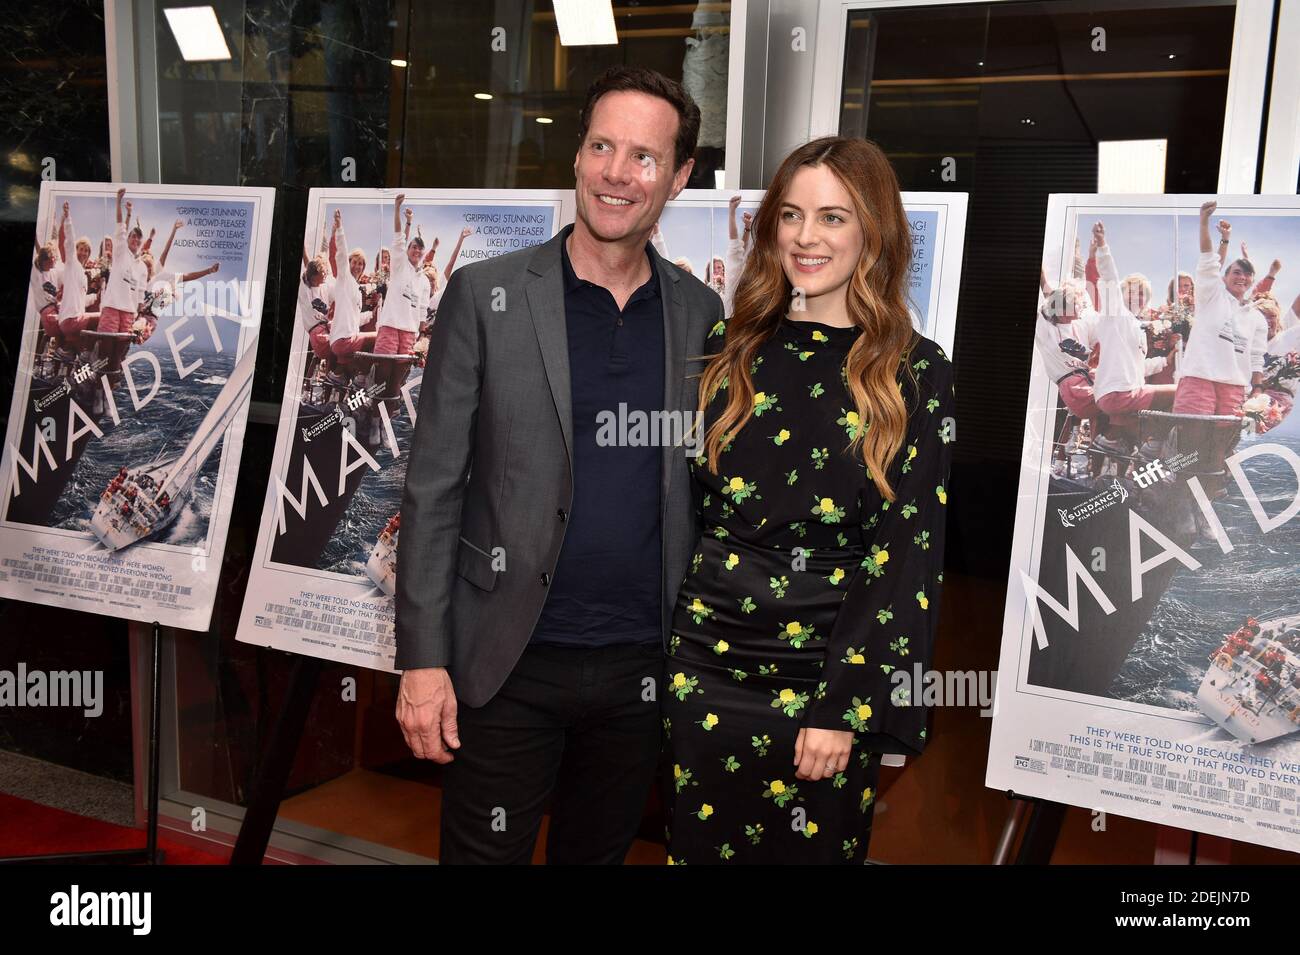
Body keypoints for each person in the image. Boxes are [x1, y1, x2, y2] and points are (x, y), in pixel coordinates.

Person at [394, 65, 718, 865]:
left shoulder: (700, 313)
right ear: (576, 157)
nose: (617, 171)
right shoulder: (485, 295)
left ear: (677, 178)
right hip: (505, 664)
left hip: (640, 670)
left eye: (644, 156)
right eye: (602, 145)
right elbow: (432, 489)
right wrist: (422, 662)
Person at [663, 136, 955, 865]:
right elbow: (686, 513)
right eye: (791, 215)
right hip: (704, 666)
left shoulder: (917, 373)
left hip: (822, 682)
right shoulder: (730, 344)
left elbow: (905, 557)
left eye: (832, 217)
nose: (805, 236)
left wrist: (844, 708)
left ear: (872, 232)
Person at [1171, 202, 1269, 489]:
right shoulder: (1211, 295)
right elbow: (1207, 258)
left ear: (1252, 281)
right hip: (1199, 377)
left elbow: (1256, 358)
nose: (1242, 277)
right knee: (1192, 443)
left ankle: (1207, 500)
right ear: (1224, 278)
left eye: (1247, 274)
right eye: (1236, 272)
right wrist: (1204, 223)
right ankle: (1180, 494)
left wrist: (1258, 390)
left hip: (1234, 387)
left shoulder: (1257, 318)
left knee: (1220, 448)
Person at [1089, 221, 1176, 452]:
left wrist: (1167, 359)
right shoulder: (1114, 313)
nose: (1139, 296)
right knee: (1180, 391)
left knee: (1132, 436)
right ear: (1122, 292)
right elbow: (1108, 278)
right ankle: (1157, 447)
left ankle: (1111, 443)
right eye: (1133, 290)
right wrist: (1102, 246)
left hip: (1123, 392)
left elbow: (1138, 367)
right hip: (1118, 393)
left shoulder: (1137, 328)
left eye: (1143, 293)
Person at [328, 209, 379, 365]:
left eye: (361, 263)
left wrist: (372, 313)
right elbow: (341, 254)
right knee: (380, 336)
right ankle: (363, 378)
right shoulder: (344, 279)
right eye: (354, 262)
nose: (357, 266)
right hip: (343, 340)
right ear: (349, 263)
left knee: (350, 370)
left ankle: (339, 376)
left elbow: (355, 319)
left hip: (344, 339)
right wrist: (340, 228)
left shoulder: (356, 289)